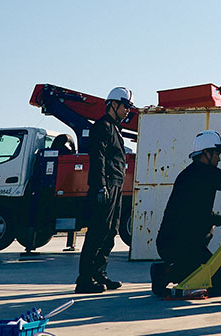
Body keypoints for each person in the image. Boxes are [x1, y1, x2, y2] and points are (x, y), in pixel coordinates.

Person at [150, 130, 221, 297]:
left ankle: (172, 269)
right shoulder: (204, 174)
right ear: (206, 153)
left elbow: (195, 212)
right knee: (216, 281)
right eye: (217, 154)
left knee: (214, 278)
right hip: (178, 244)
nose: (219, 158)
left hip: (176, 242)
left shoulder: (192, 173)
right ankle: (164, 272)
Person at [75, 86, 135, 294]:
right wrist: (101, 186)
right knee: (98, 231)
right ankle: (84, 280)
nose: (127, 110)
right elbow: (98, 158)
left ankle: (99, 273)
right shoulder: (102, 127)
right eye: (125, 106)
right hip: (105, 185)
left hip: (116, 185)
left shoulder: (116, 128)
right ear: (114, 104)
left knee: (111, 231)